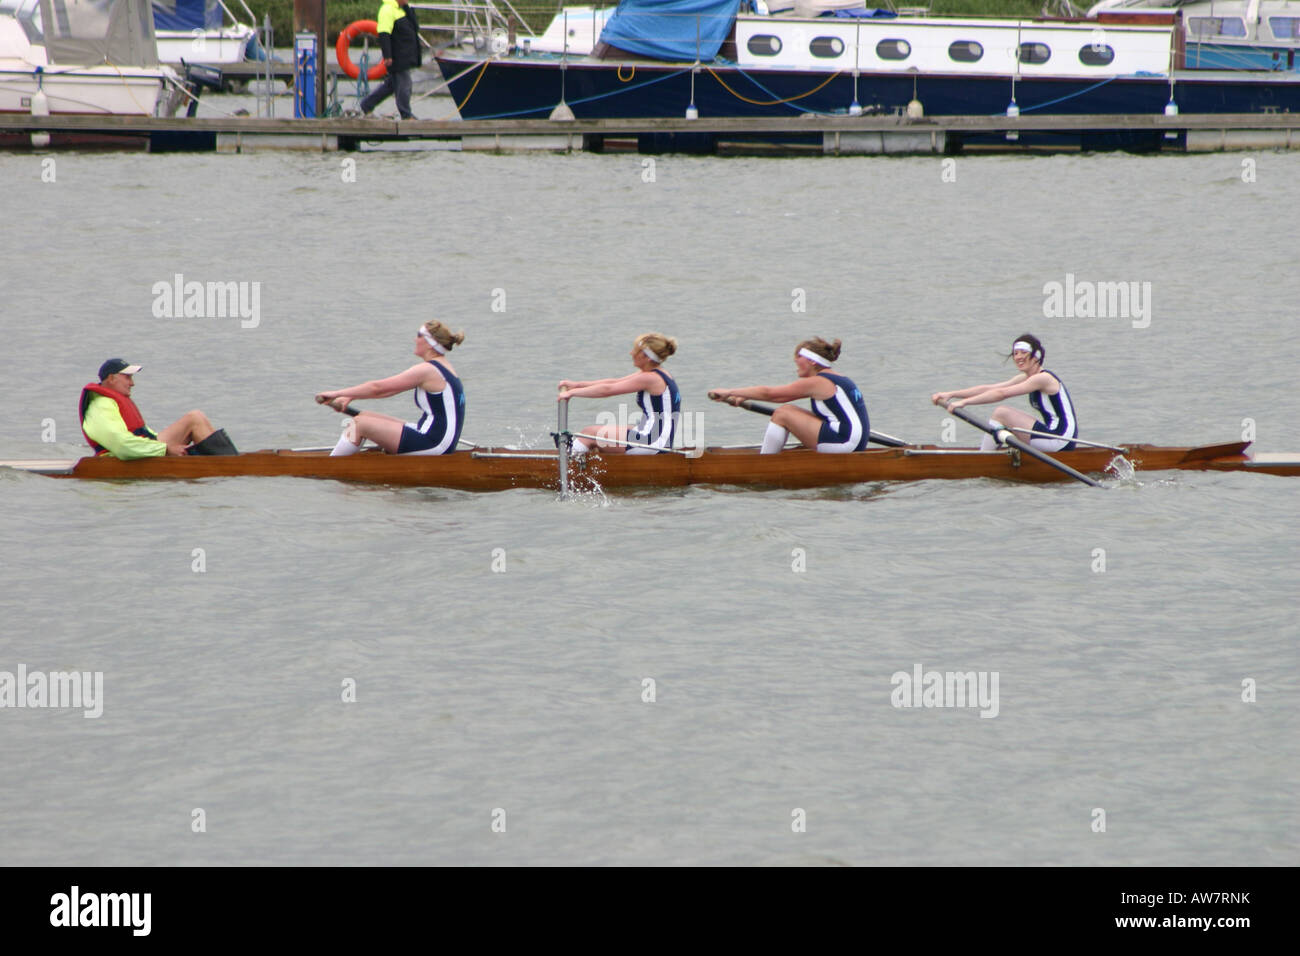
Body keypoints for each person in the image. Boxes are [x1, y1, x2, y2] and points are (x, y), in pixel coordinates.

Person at [316, 321, 466, 456]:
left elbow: (377, 388)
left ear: (429, 342)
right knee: (364, 416)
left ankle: (329, 467)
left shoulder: (427, 370)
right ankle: (342, 462)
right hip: (436, 438)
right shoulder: (443, 368)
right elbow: (389, 390)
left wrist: (336, 393)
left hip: (433, 443)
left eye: (418, 335)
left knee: (358, 425)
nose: (415, 339)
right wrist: (350, 397)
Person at [709, 337, 869, 454]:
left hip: (845, 443)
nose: (794, 360)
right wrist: (746, 396)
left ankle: (764, 464)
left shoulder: (818, 381)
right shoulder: (838, 378)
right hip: (855, 442)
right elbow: (775, 395)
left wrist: (729, 392)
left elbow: (772, 395)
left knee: (782, 414)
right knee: (789, 410)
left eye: (799, 356)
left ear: (813, 362)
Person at [930, 333, 1078, 452]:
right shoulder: (1026, 378)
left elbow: (1002, 394)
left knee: (1001, 413)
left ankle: (984, 459)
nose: (1018, 357)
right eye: (1015, 353)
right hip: (1050, 436)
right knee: (1003, 416)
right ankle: (988, 456)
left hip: (1060, 439)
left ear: (1036, 356)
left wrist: (964, 403)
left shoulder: (1043, 378)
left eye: (1023, 352)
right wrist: (951, 394)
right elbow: (991, 389)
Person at [79, 358, 236, 459]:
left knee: (197, 417)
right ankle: (231, 464)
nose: (132, 383)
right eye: (127, 377)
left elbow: (146, 435)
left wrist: (172, 448)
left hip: (144, 450)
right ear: (111, 379)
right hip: (120, 459)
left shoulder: (114, 401)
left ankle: (229, 460)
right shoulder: (100, 406)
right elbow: (121, 445)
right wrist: (165, 449)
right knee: (194, 418)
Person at [557, 333, 680, 455]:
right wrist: (577, 385)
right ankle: (580, 464)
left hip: (653, 441)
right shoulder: (658, 373)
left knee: (588, 434)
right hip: (658, 438)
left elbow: (608, 390)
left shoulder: (650, 378)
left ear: (646, 357)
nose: (631, 353)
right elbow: (614, 382)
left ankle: (563, 468)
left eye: (635, 351)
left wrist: (571, 394)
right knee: (603, 432)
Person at [358, 0, 421, 120]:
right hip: (398, 56)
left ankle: (367, 105)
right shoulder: (387, 9)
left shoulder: (402, 9)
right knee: (405, 83)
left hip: (406, 55)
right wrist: (387, 55)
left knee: (390, 85)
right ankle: (406, 114)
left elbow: (415, 27)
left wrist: (407, 8)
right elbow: (384, 33)